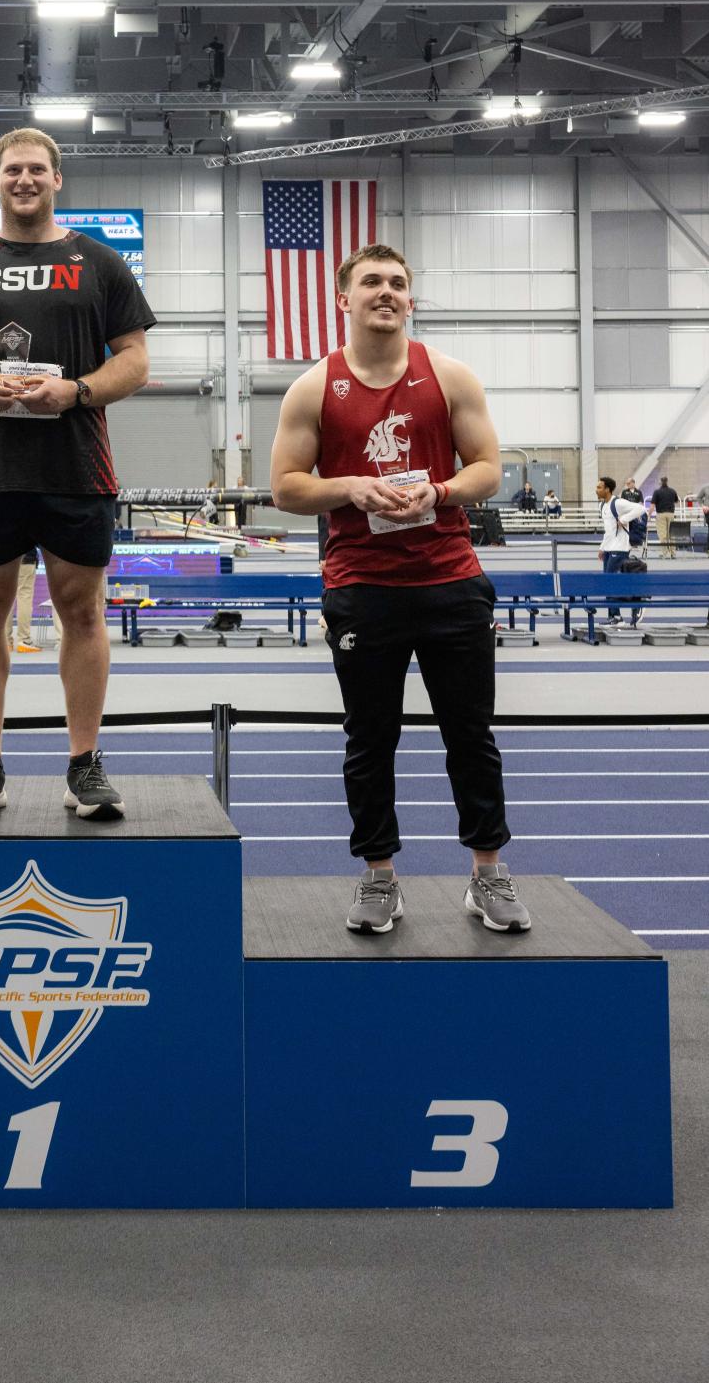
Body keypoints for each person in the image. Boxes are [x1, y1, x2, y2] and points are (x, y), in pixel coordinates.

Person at [270, 241, 530, 936]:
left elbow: (487, 467)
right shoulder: (313, 388)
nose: (385, 291)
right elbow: (285, 487)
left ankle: (487, 872)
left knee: (469, 735)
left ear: (409, 300)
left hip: (450, 579)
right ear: (343, 298)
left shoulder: (449, 377)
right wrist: (350, 487)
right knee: (370, 738)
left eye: (396, 282)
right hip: (363, 586)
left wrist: (439, 492)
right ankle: (379, 876)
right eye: (371, 282)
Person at [0, 128, 154, 822]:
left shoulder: (99, 263)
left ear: (57, 179)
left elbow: (135, 361)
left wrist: (76, 391)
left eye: (37, 170)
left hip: (75, 467)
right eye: (13, 170)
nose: (25, 180)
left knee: (81, 612)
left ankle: (84, 763)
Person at [597, 475, 647, 628]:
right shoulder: (603, 506)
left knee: (611, 582)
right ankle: (614, 615)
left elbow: (641, 509)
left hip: (619, 549)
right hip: (609, 549)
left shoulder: (617, 503)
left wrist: (624, 519)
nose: (596, 490)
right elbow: (608, 531)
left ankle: (619, 615)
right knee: (608, 583)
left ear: (607, 489)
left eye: (599, 487)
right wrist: (602, 547)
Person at [14, 545, 41, 653]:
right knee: (24, 595)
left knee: (6, 599)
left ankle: (6, 640)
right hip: (26, 557)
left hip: (4, 559)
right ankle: (24, 640)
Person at [652, 475, 679, 559]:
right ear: (667, 482)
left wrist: (648, 514)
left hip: (661, 515)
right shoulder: (672, 491)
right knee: (671, 534)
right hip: (671, 514)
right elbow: (676, 501)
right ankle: (673, 553)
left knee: (662, 534)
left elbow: (652, 505)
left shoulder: (657, 492)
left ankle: (665, 553)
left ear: (660, 482)